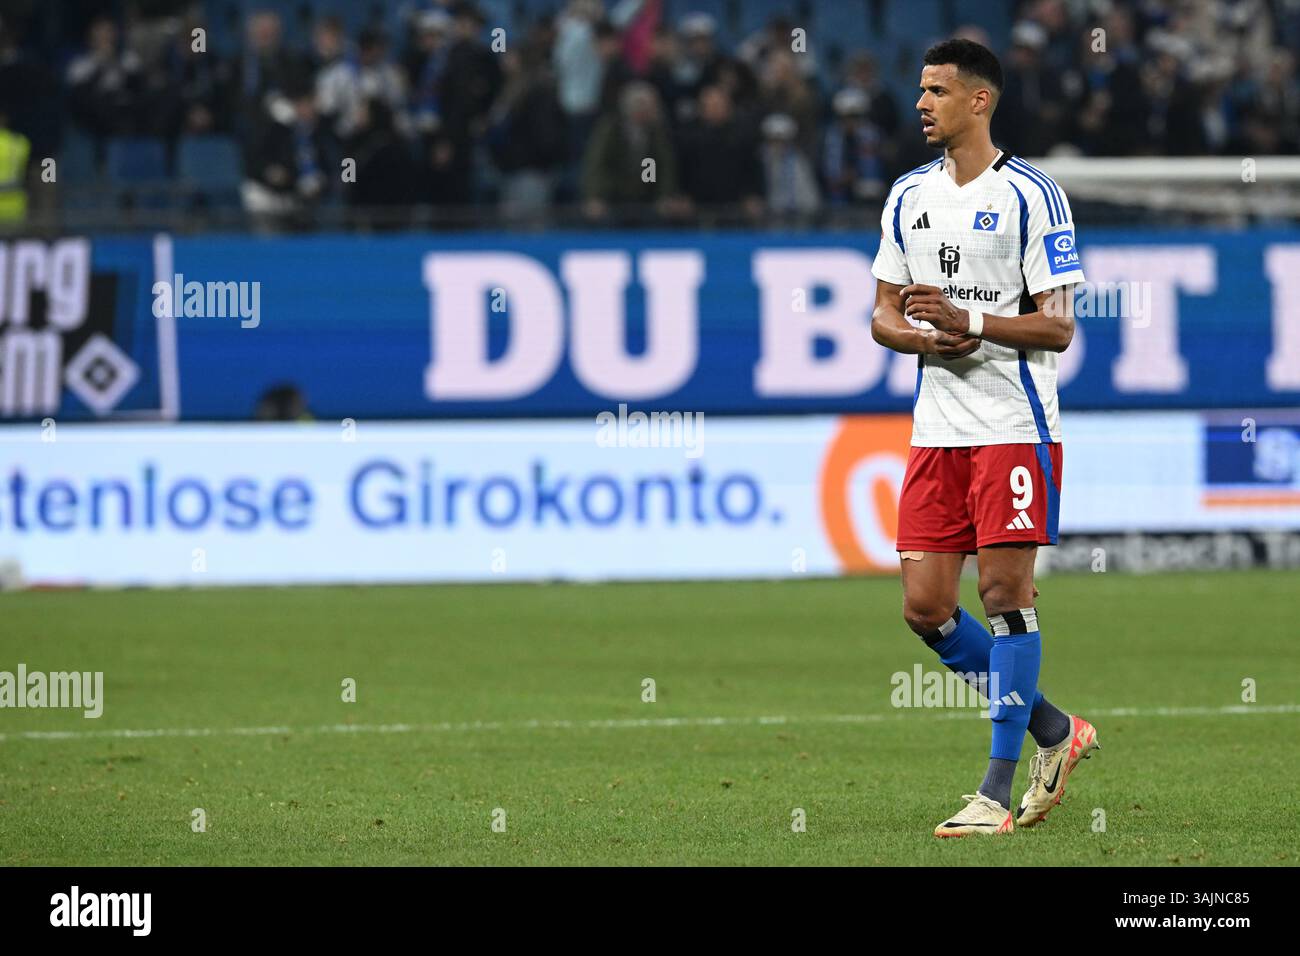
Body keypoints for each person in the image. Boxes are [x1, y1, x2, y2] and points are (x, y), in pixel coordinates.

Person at [868, 38, 1098, 837]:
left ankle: (994, 794)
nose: (921, 103)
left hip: (1013, 425)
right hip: (937, 430)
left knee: (1005, 600)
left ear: (979, 100)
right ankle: (1057, 732)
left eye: (936, 90)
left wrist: (973, 321)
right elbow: (882, 312)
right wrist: (921, 340)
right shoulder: (907, 195)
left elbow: (1059, 327)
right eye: (920, 89)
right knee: (926, 608)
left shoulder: (1034, 195)